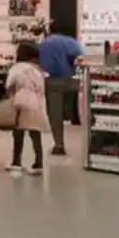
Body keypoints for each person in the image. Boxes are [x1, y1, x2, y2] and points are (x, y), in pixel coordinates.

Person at [34, 24, 82, 156]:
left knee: (55, 115)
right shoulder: (72, 43)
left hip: (52, 81)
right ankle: (71, 116)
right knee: (75, 109)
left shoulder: (44, 44)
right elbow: (79, 58)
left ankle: (59, 144)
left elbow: (39, 63)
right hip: (71, 80)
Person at [4, 42, 51, 176]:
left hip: (19, 104)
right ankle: (38, 163)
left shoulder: (16, 68)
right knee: (35, 134)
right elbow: (41, 88)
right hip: (36, 105)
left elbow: (10, 86)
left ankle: (16, 162)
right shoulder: (38, 71)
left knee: (18, 134)